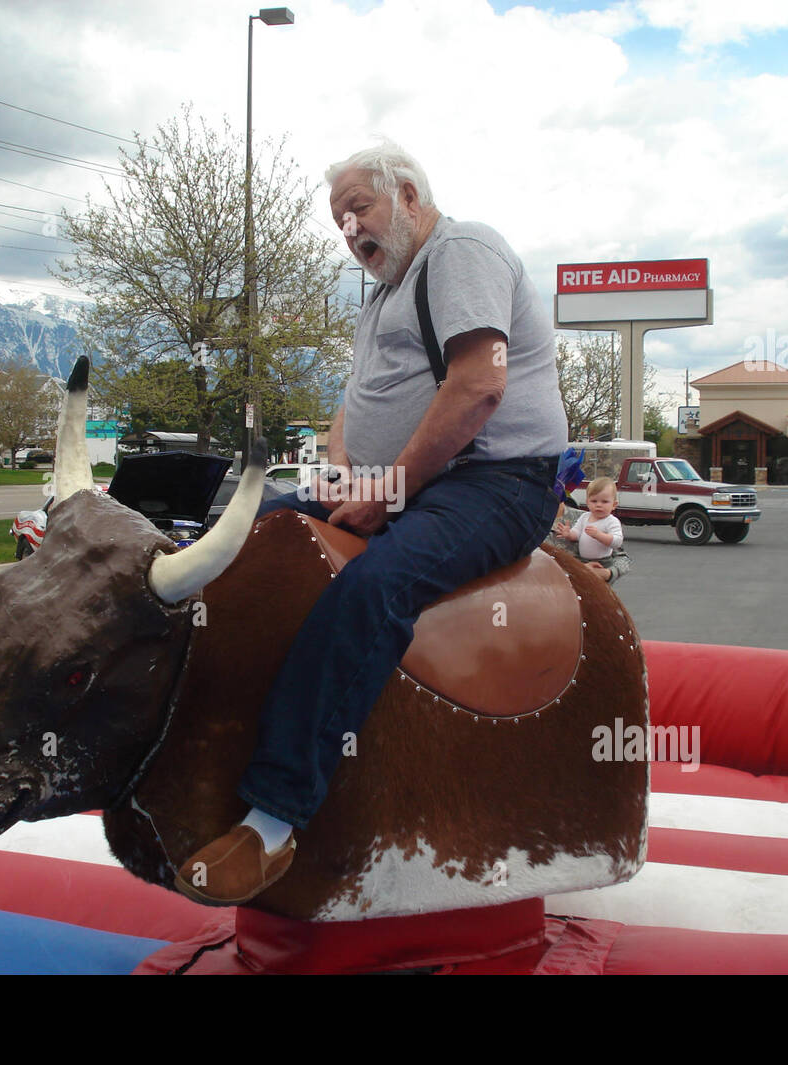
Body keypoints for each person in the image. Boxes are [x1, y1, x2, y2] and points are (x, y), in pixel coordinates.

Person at [174, 141, 569, 906]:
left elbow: (480, 384)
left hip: (498, 482)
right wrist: (343, 463)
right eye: (338, 217)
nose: (350, 227)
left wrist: (388, 488)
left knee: (373, 584)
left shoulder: (464, 251)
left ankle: (272, 820)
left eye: (361, 206)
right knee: (250, 534)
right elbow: (357, 398)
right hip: (407, 480)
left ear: (412, 197)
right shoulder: (382, 291)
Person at [553, 477, 624, 584]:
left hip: (603, 562)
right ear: (587, 502)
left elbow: (617, 542)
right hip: (582, 560)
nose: (598, 505)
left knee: (598, 587)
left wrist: (599, 535)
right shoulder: (585, 517)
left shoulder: (611, 521)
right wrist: (568, 534)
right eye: (594, 501)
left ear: (614, 505)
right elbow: (577, 533)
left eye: (604, 501)